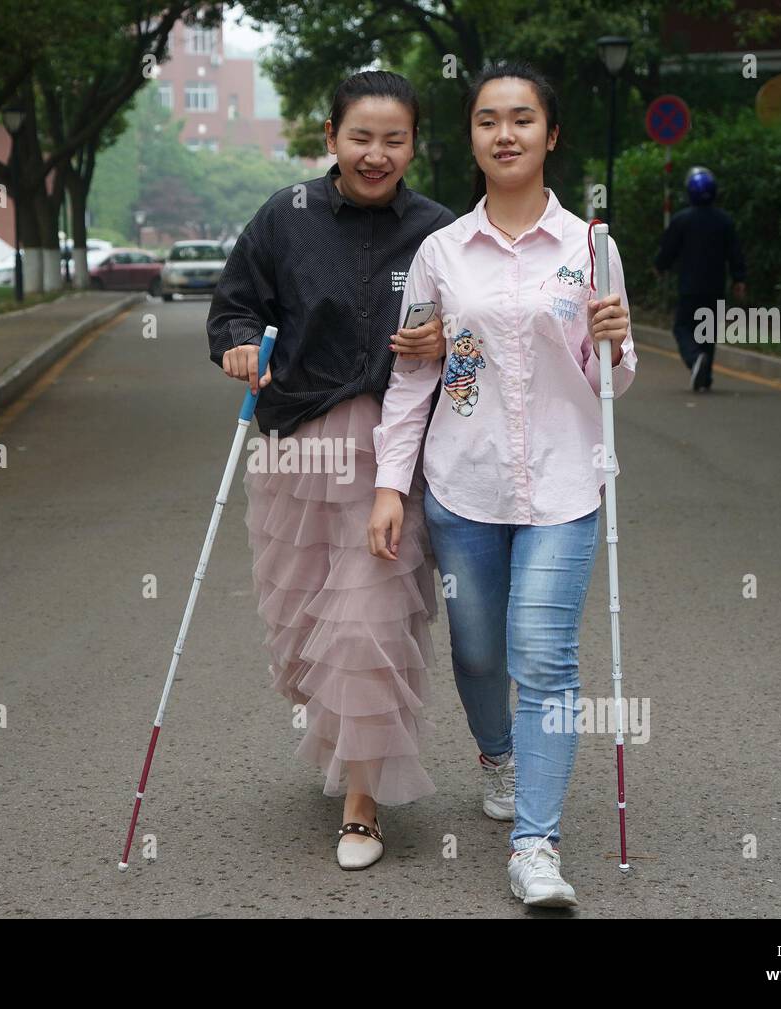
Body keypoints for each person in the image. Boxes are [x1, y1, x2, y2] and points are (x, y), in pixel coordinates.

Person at [368, 61, 635, 907]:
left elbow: (613, 382)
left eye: (524, 119)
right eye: (489, 120)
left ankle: (536, 844)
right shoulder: (440, 253)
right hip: (463, 485)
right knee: (479, 650)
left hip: (564, 484)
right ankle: (496, 751)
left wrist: (617, 343)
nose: (507, 134)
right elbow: (416, 375)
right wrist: (388, 482)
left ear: (551, 135)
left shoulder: (591, 247)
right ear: (473, 139)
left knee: (545, 657)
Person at [206, 71, 455, 870]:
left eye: (395, 139)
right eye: (361, 137)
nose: (377, 154)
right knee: (305, 630)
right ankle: (346, 738)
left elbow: (486, 335)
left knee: (370, 619)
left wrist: (447, 340)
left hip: (397, 452)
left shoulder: (441, 231)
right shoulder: (287, 214)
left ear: (415, 143)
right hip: (298, 449)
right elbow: (233, 306)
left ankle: (361, 804)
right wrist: (240, 343)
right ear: (331, 138)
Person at [654, 165, 747, 391]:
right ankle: (704, 378)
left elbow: (668, 250)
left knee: (682, 328)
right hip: (715, 287)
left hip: (690, 288)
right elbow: (735, 253)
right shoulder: (724, 221)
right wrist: (739, 279)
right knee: (708, 331)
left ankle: (695, 358)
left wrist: (659, 267)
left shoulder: (681, 220)